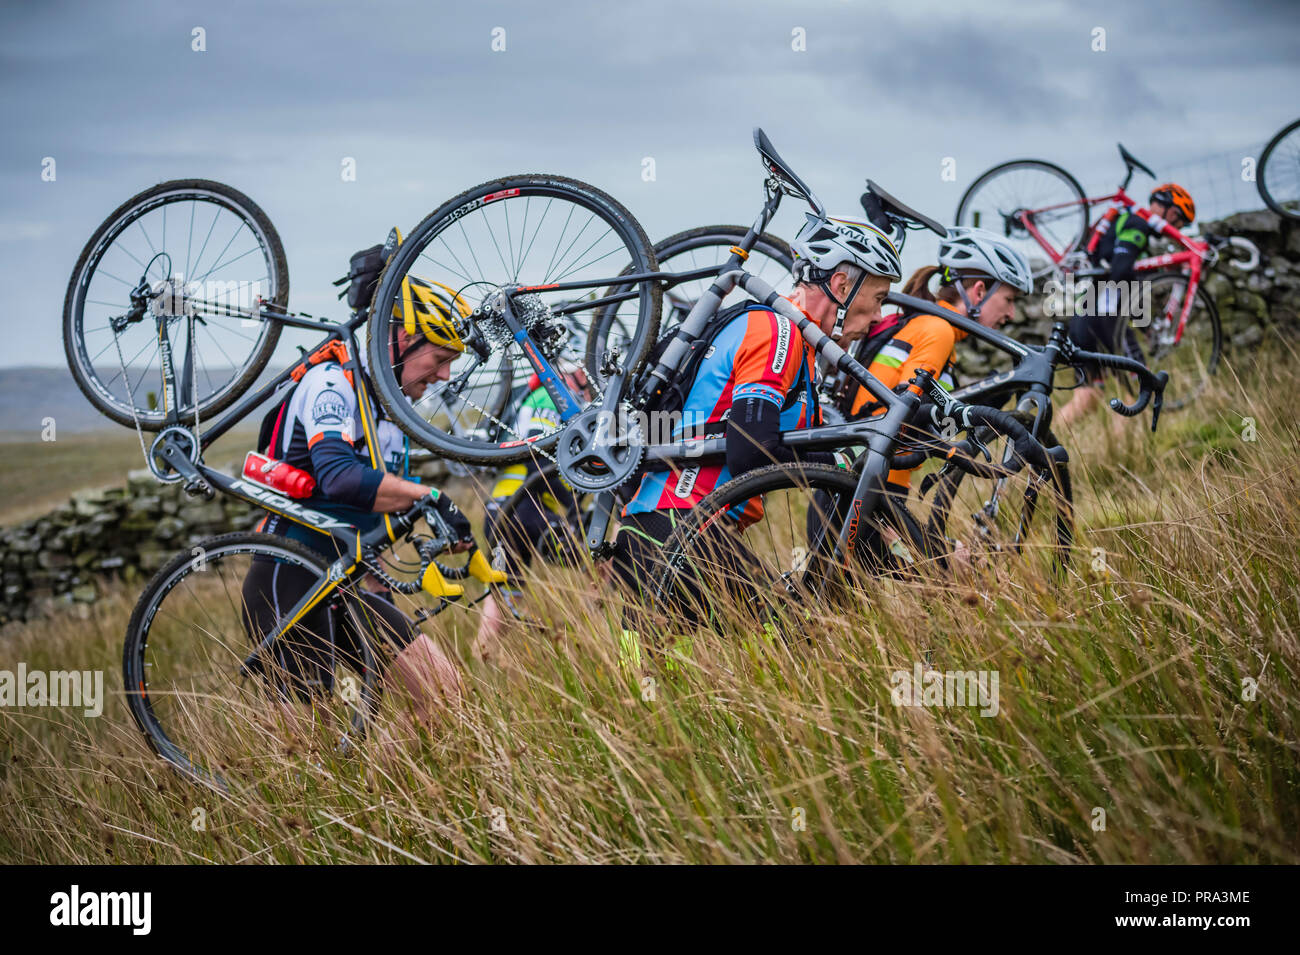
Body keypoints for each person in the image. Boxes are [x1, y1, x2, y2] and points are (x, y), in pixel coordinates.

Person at [609, 211, 903, 597]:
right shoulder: (777, 330)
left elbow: (783, 445)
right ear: (841, 284)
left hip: (652, 531)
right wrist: (837, 465)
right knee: (791, 636)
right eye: (878, 298)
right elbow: (752, 451)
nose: (879, 316)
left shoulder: (795, 345)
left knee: (646, 661)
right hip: (682, 529)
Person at [241, 258, 476, 724]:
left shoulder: (386, 410)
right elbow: (339, 478)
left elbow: (363, 515)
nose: (445, 376)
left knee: (447, 697)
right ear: (406, 340)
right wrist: (429, 497)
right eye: (441, 359)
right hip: (288, 581)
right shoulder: (332, 383)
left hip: (342, 585)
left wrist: (381, 584)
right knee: (307, 749)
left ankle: (387, 794)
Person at [849, 227, 1033, 500]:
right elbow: (907, 415)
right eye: (1009, 299)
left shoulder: (928, 324)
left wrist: (990, 401)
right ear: (980, 291)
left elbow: (930, 421)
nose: (1011, 313)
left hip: (870, 480)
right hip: (873, 486)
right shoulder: (938, 331)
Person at [473, 360, 593, 660]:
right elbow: (536, 460)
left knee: (501, 597)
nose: (590, 391)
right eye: (585, 380)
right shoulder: (548, 397)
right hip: (527, 511)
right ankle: (593, 646)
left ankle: (480, 665)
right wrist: (575, 510)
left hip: (499, 515)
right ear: (568, 375)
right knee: (600, 565)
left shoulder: (527, 400)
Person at [1056, 183, 1196, 428]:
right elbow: (1121, 274)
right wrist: (1148, 324)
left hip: (1083, 318)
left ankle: (1037, 443)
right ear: (1172, 212)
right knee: (1140, 392)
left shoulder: (1120, 223)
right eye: (1179, 223)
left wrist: (1145, 327)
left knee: (1088, 398)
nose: (1175, 229)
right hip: (1105, 321)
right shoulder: (1137, 224)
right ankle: (1126, 458)